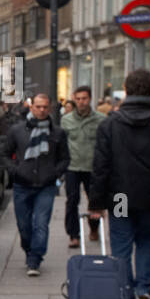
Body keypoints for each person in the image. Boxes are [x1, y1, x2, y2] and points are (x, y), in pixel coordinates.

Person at [88, 68, 150, 299]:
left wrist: (96, 202)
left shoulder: (110, 124)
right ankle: (144, 286)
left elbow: (101, 166)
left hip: (122, 196)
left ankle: (124, 289)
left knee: (122, 242)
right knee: (146, 241)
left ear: (126, 90)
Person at [5, 92, 70, 276]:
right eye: (38, 106)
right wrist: (15, 171)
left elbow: (65, 159)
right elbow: (5, 155)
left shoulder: (57, 133)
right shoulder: (17, 130)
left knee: (41, 224)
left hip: (46, 186)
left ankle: (35, 260)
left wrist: (55, 174)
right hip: (22, 185)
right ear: (31, 107)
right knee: (24, 226)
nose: (41, 110)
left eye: (45, 107)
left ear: (49, 108)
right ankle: (28, 250)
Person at [61, 86, 101, 249]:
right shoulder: (67, 120)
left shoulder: (101, 119)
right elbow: (62, 144)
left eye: (84, 98)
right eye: (78, 99)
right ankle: (74, 235)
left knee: (95, 202)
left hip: (93, 167)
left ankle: (94, 228)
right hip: (73, 167)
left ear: (90, 99)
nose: (81, 102)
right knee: (72, 200)